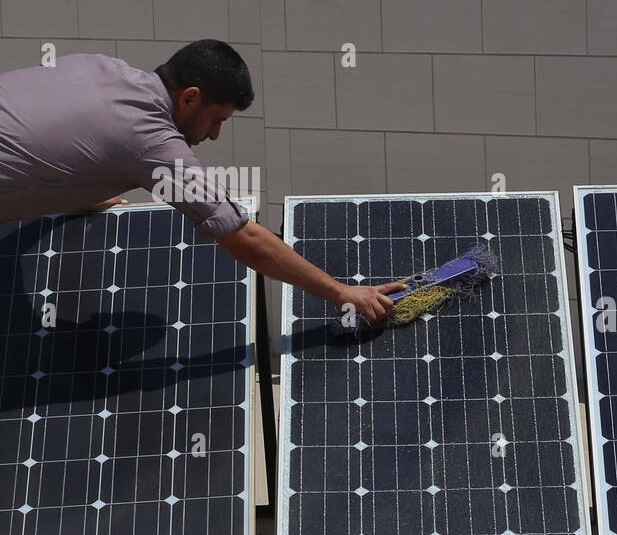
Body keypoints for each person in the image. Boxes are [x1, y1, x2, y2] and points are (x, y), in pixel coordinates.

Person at [0, 39, 402, 323]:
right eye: (217, 120)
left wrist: (84, 188)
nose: (213, 136)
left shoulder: (101, 66)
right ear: (189, 97)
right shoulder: (149, 141)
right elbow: (239, 235)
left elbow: (47, 138)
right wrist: (341, 292)